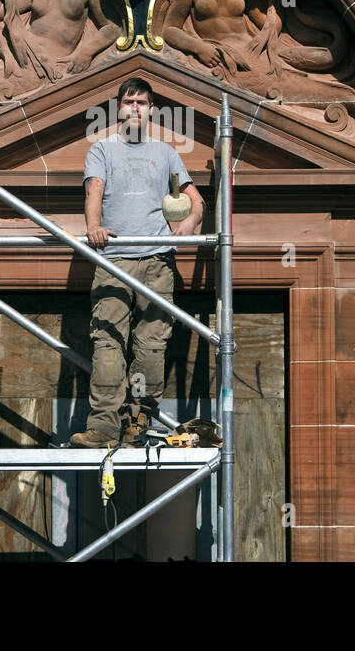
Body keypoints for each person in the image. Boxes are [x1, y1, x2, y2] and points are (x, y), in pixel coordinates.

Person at [70, 78, 204, 448]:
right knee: (108, 344)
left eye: (142, 103)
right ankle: (102, 429)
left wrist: (188, 226)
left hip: (157, 261)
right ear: (118, 108)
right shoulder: (103, 150)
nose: (135, 108)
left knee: (151, 347)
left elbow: (194, 199)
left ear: (150, 109)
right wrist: (94, 227)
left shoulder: (165, 155)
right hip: (114, 261)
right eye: (129, 102)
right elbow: (94, 189)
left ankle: (136, 427)